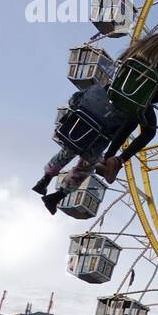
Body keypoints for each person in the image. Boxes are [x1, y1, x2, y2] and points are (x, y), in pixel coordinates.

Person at [97, 30, 158, 183]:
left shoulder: (138, 49)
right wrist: (151, 97)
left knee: (132, 118)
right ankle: (117, 161)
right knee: (148, 131)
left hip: (116, 92)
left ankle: (106, 158)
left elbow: (120, 66)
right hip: (138, 103)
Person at [34, 82, 129, 215]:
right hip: (95, 142)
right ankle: (57, 196)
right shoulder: (126, 111)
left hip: (77, 127)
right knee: (85, 167)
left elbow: (75, 98)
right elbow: (119, 133)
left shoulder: (98, 88)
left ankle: (45, 179)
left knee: (66, 152)